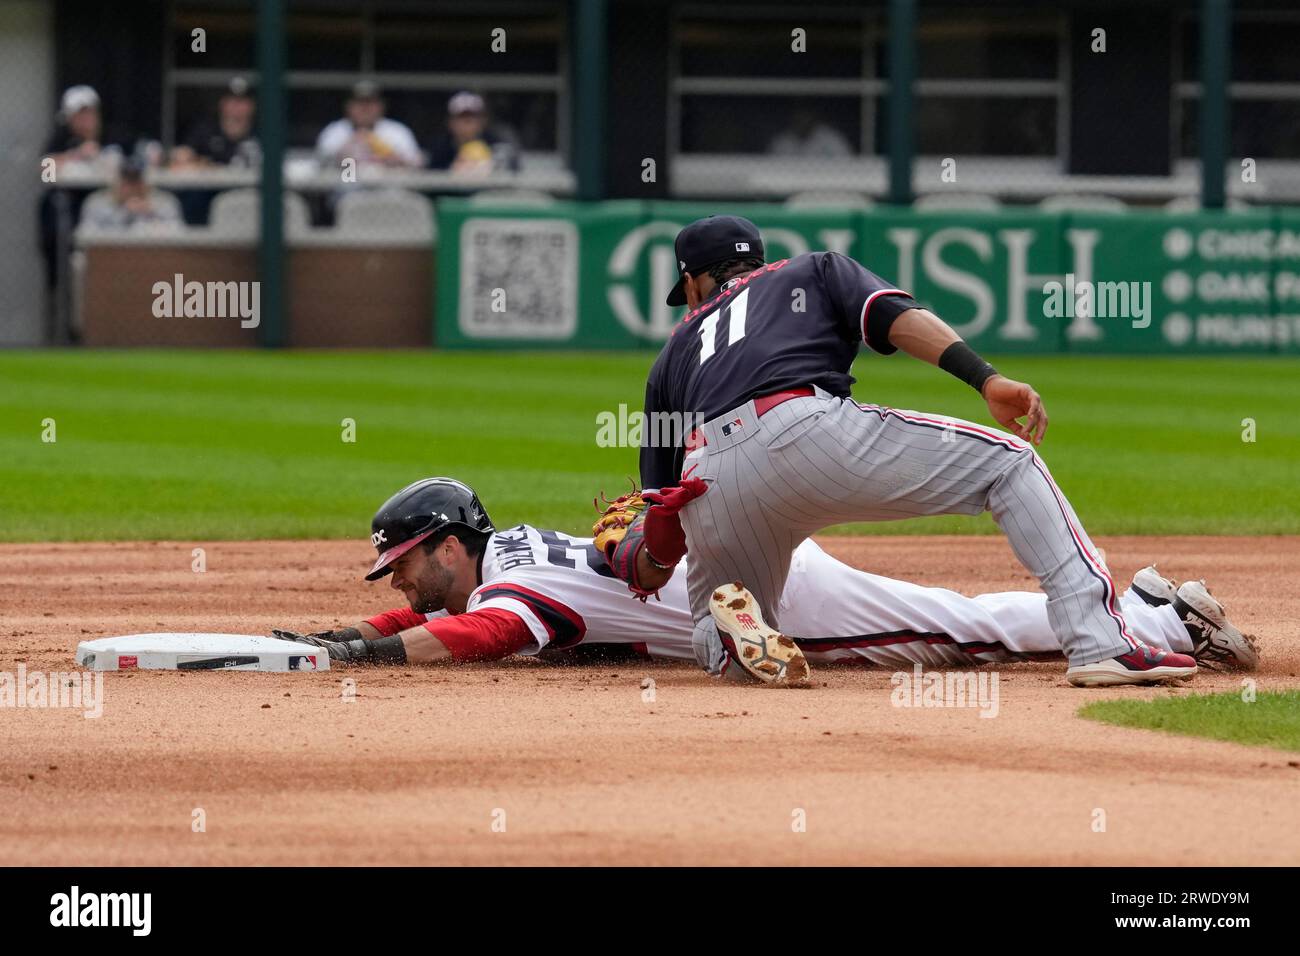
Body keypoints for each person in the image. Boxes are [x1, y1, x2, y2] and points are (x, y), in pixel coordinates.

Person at [616, 215, 1203, 688]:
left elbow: (652, 527)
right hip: (803, 429)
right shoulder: (811, 269)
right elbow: (894, 316)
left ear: (693, 283)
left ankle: (721, 642)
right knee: (1009, 463)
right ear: (757, 260)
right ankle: (1100, 643)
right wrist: (985, 379)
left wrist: (659, 550)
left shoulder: (670, 355)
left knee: (716, 612)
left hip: (709, 479)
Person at [271, 477, 1256, 677]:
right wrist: (356, 631)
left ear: (449, 545)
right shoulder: (519, 547)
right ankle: (1142, 608)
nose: (394, 583)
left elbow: (481, 633)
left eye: (403, 564)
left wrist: (361, 649)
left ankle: (1153, 619)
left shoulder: (512, 597)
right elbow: (476, 608)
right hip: (734, 565)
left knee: (955, 633)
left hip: (768, 595)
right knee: (947, 619)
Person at [315, 80, 421, 169]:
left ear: (381, 106)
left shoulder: (397, 131)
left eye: (370, 103)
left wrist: (391, 158)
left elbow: (417, 163)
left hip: (390, 189)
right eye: (359, 103)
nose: (365, 109)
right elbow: (321, 164)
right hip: (348, 189)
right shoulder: (335, 130)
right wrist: (350, 145)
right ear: (348, 106)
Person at [170, 76, 259, 168]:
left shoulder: (262, 133)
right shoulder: (205, 130)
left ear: (252, 106)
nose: (236, 109)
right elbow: (180, 157)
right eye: (231, 101)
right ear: (222, 104)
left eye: (242, 102)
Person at [78, 157, 182, 233]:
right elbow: (86, 235)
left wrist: (151, 212)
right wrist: (123, 213)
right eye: (127, 182)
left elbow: (179, 232)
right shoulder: (96, 202)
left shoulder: (165, 201)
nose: (132, 188)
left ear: (146, 183)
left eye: (136, 181)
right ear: (117, 182)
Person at [426, 91, 520, 175]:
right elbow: (431, 177)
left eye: (473, 117)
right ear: (451, 122)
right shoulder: (440, 148)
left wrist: (488, 166)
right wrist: (453, 170)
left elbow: (513, 168)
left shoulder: (494, 142)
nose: (468, 122)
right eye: (461, 117)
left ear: (482, 121)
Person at [767, 108, 852, 158]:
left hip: (827, 186)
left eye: (805, 116)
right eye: (799, 116)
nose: (802, 120)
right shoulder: (782, 142)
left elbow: (849, 166)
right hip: (789, 187)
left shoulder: (832, 139)